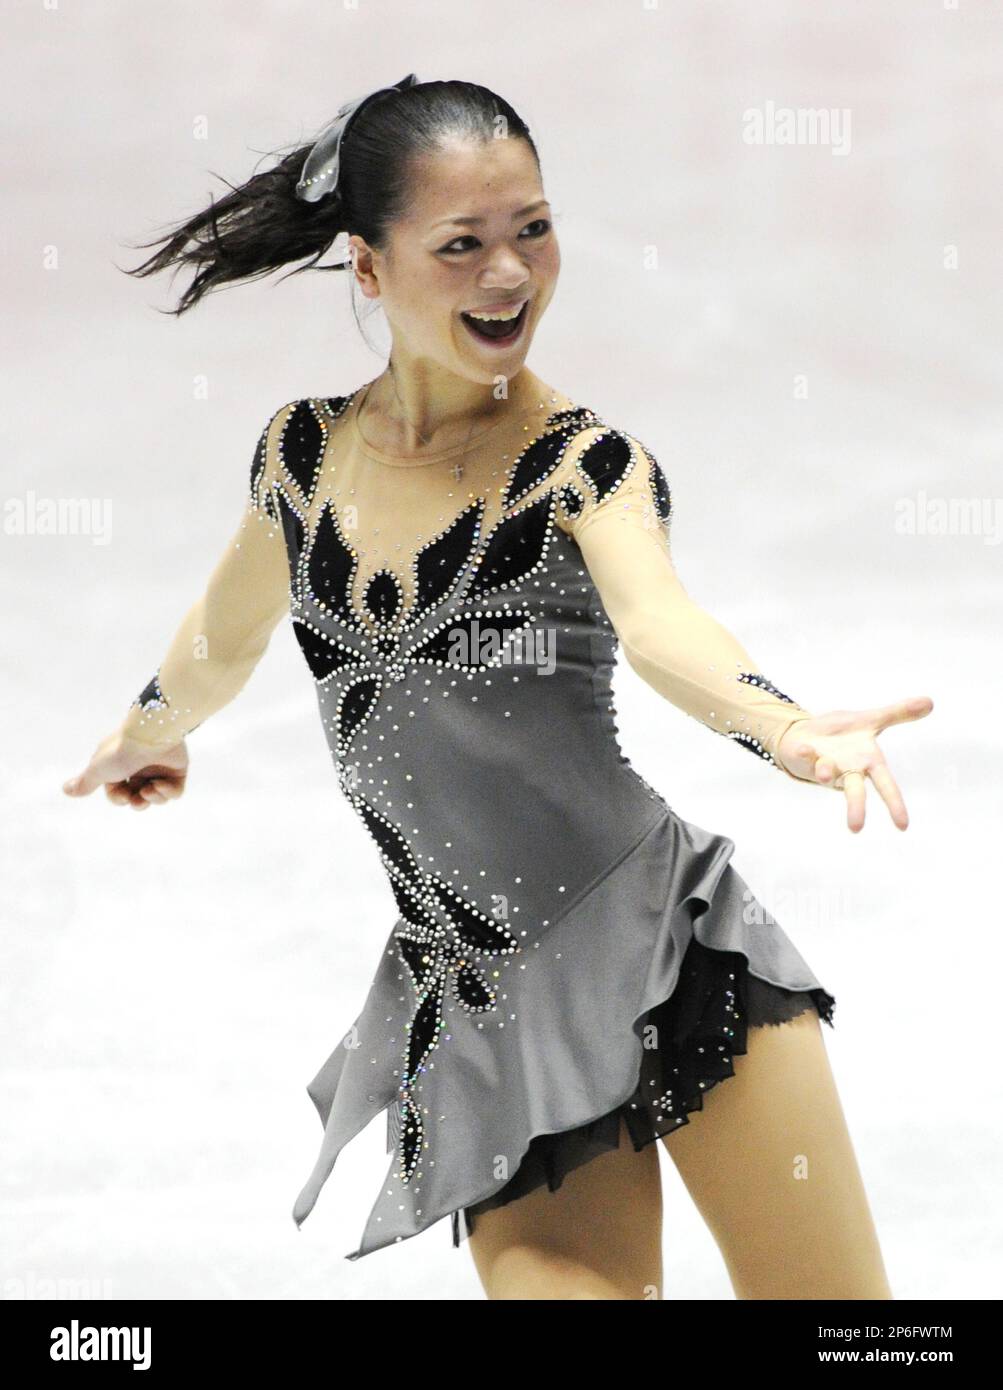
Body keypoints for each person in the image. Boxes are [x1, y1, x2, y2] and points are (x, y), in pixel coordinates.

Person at [63, 77, 932, 1301]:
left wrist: (788, 729)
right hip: (478, 1012)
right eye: (460, 244)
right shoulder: (301, 458)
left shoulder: (581, 465)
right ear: (368, 267)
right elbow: (226, 630)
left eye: (531, 228)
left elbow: (663, 627)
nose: (510, 273)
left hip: (668, 959)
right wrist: (146, 733)